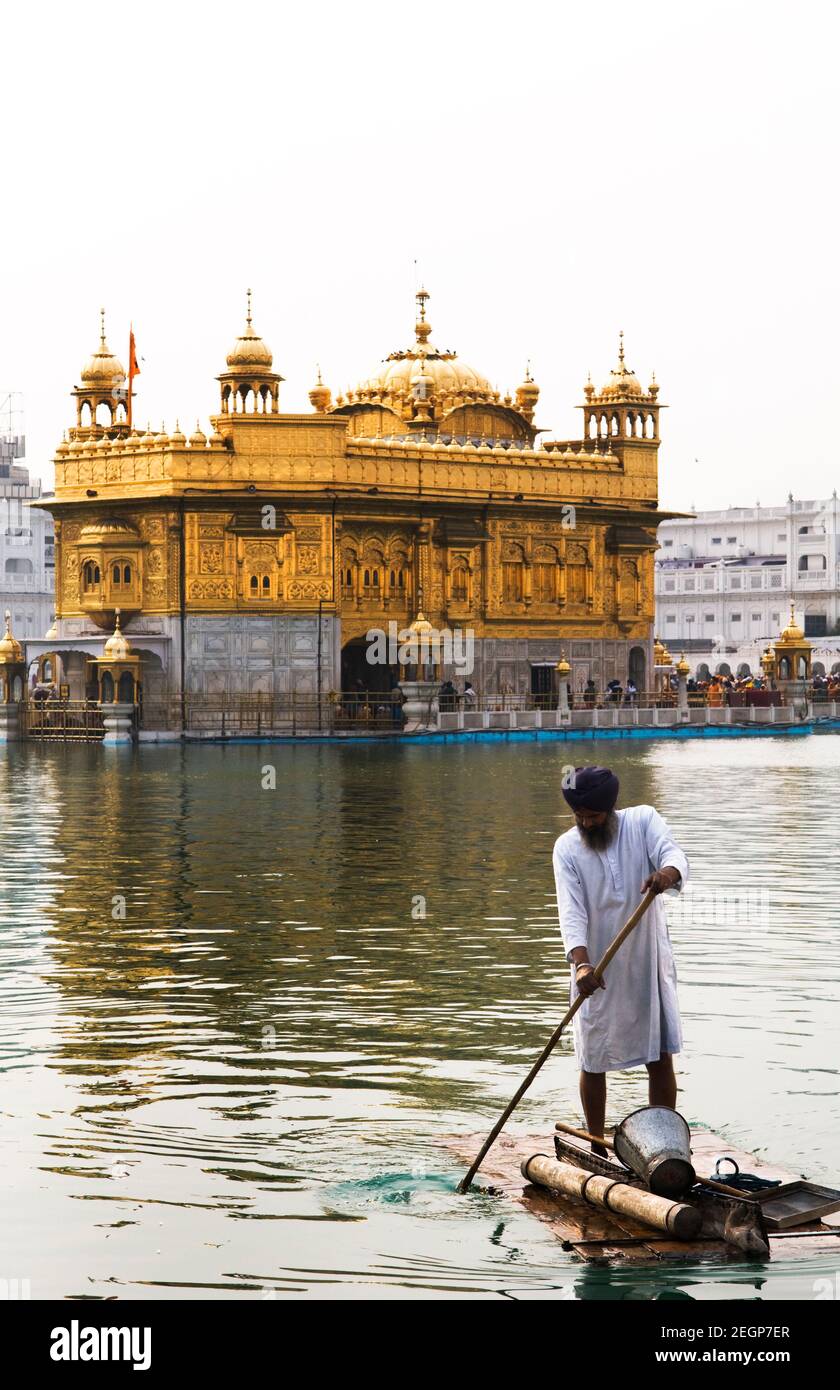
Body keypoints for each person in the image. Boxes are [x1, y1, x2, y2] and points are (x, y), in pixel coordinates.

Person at [552, 765, 689, 1152]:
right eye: (579, 817)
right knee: (592, 1056)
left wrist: (666, 873)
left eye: (593, 817)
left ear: (610, 811)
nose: (586, 823)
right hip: (597, 968)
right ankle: (596, 1143)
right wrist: (581, 964)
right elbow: (571, 911)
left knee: (659, 1054)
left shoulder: (643, 821)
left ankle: (665, 1147)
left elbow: (673, 854)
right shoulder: (567, 847)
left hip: (646, 960)